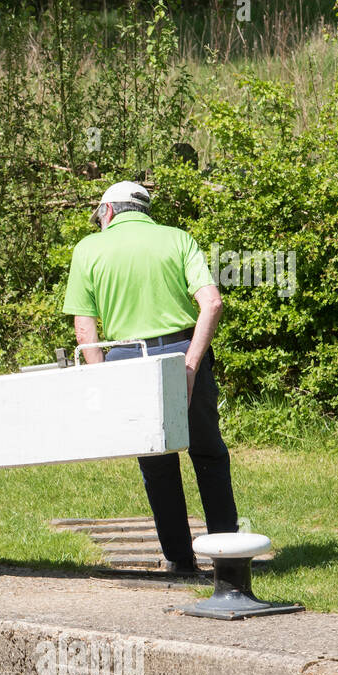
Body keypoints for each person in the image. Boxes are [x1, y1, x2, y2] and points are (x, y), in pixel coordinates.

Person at [62, 180, 237, 573]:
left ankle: (180, 560)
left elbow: (84, 328)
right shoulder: (177, 239)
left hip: (128, 360)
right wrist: (190, 364)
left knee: (157, 463)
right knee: (208, 453)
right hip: (182, 351)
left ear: (107, 212)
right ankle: (229, 558)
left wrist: (101, 380)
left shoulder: (89, 248)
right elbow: (211, 302)